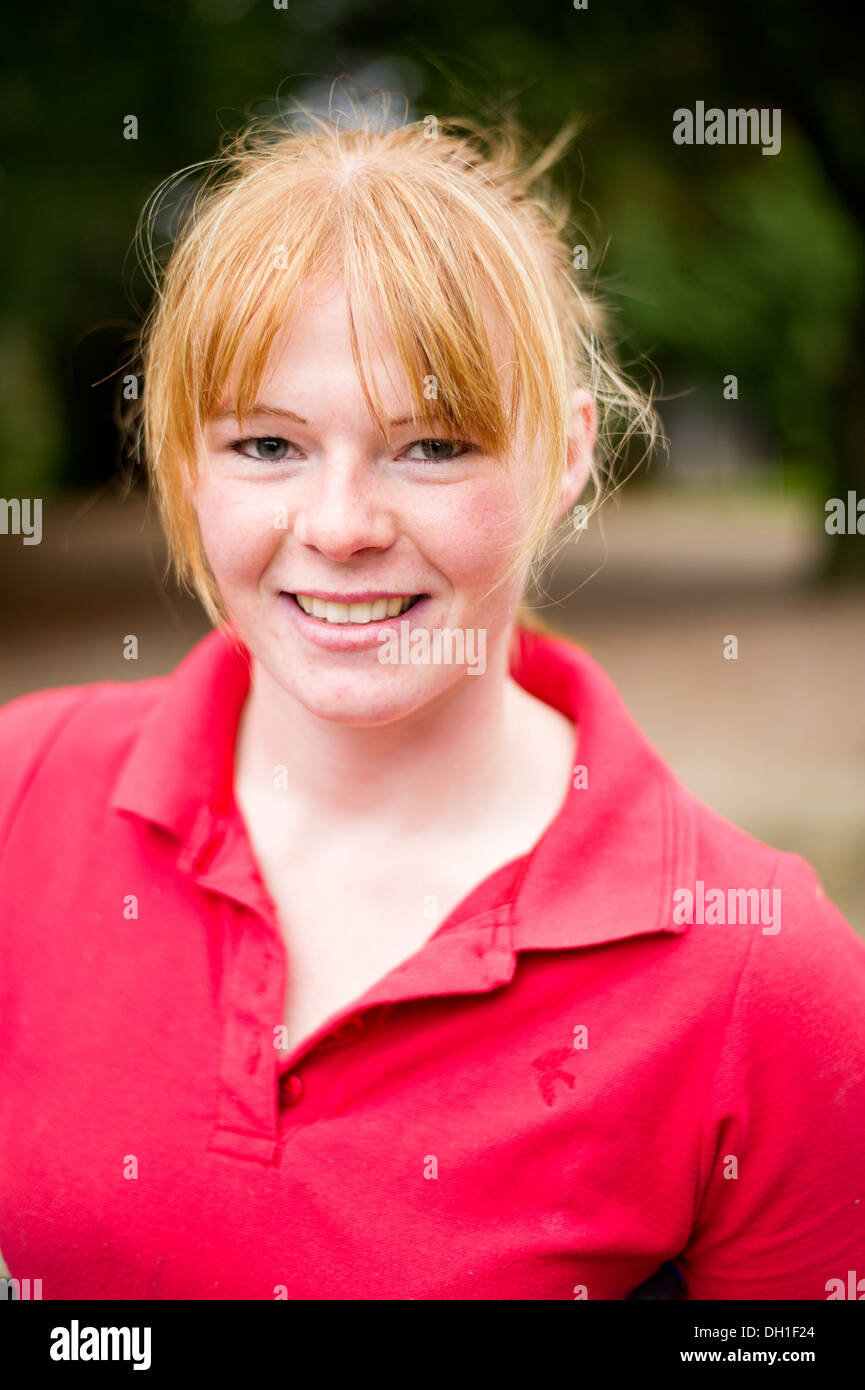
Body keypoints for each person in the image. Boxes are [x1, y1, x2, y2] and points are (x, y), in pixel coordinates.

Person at [1, 101, 863, 1302]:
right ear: (181, 462)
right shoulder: (22, 793)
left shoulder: (763, 980)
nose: (343, 526)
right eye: (267, 445)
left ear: (563, 456)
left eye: (431, 446)